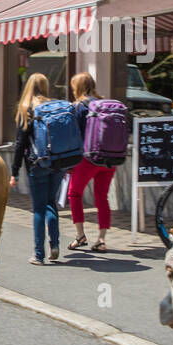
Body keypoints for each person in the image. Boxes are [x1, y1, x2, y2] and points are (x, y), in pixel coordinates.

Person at [11, 72, 61, 265]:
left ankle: (38, 255)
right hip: (57, 163)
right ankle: (54, 244)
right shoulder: (55, 106)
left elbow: (19, 143)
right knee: (51, 202)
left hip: (37, 164)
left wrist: (14, 172)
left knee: (39, 208)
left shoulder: (27, 109)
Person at [67, 71, 120, 252]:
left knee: (74, 194)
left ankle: (80, 236)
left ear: (77, 87)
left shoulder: (79, 107)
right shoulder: (104, 104)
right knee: (102, 197)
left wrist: (70, 162)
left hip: (88, 159)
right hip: (109, 159)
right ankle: (101, 240)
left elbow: (75, 136)